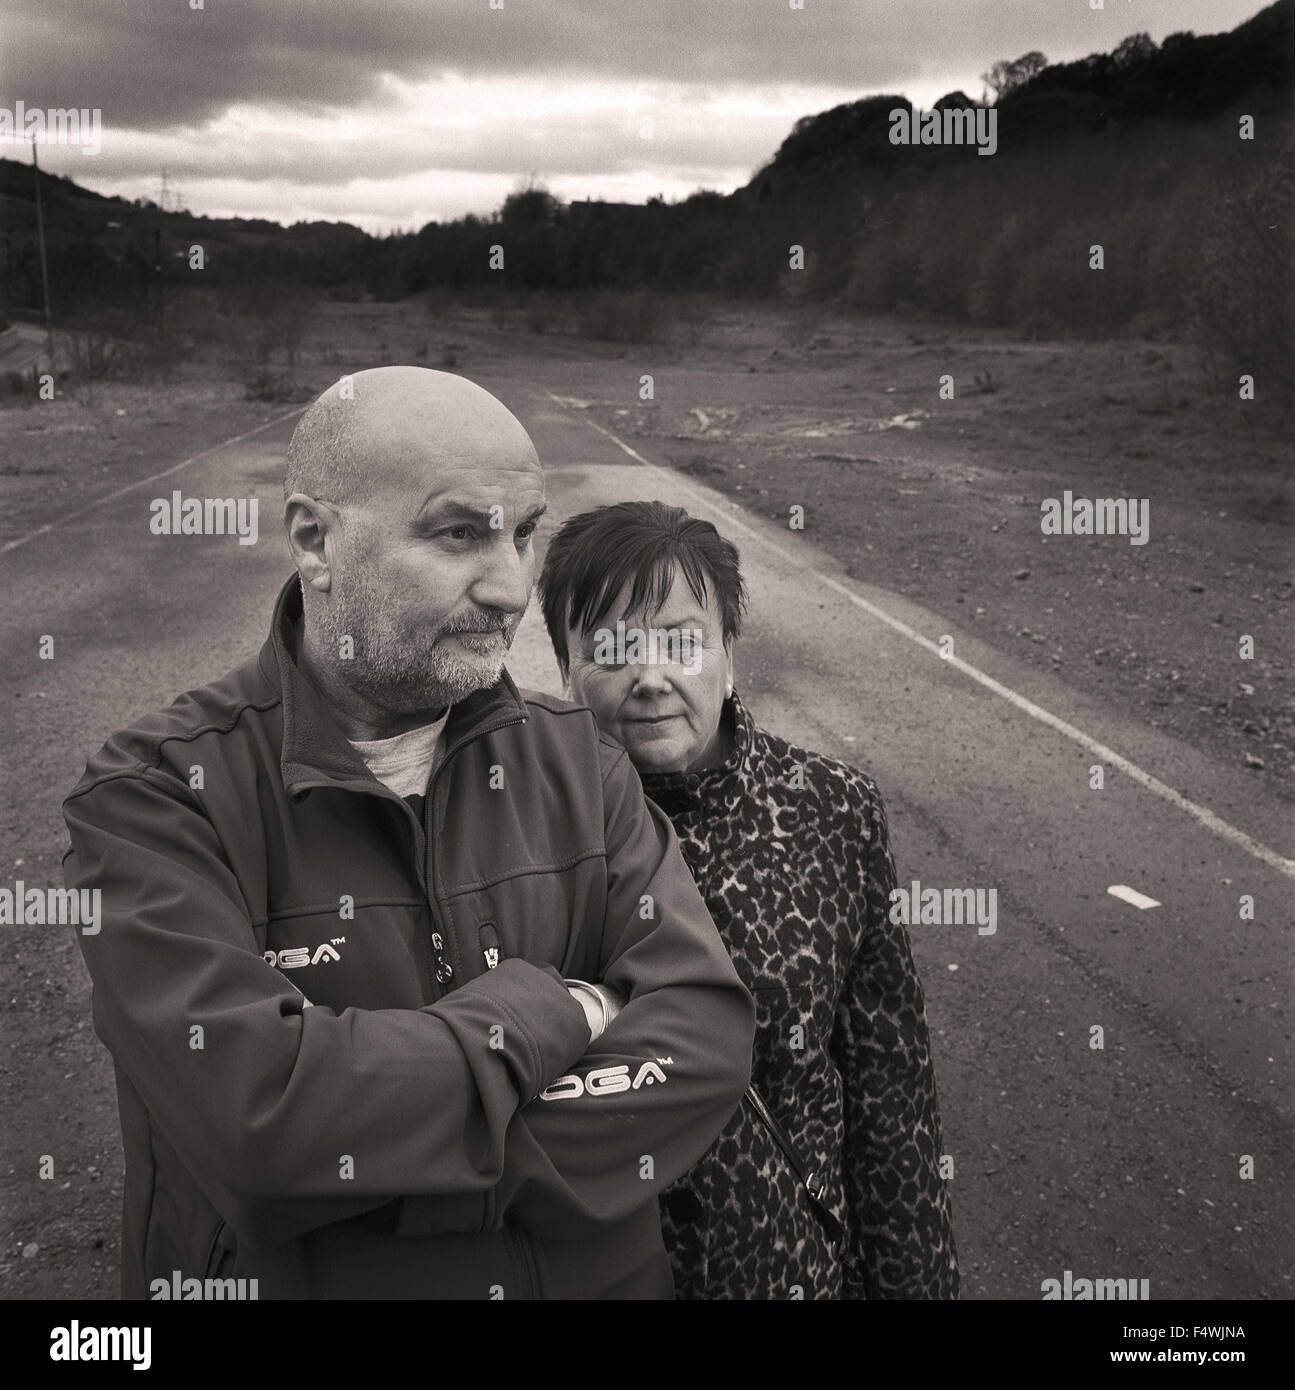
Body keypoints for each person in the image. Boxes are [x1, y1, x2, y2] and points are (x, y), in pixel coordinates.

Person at [61, 369, 754, 1301]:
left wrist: (388, 1166)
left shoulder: (579, 764)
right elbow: (261, 1128)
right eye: (459, 532)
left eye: (523, 534)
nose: (512, 588)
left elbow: (703, 1042)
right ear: (316, 540)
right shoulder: (157, 797)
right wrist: (561, 1012)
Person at [538, 500, 959, 1299]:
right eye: (611, 646)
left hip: (787, 1273)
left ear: (728, 652)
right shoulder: (518, 831)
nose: (651, 676)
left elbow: (889, 1091)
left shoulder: (831, 810)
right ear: (564, 664)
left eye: (681, 641)